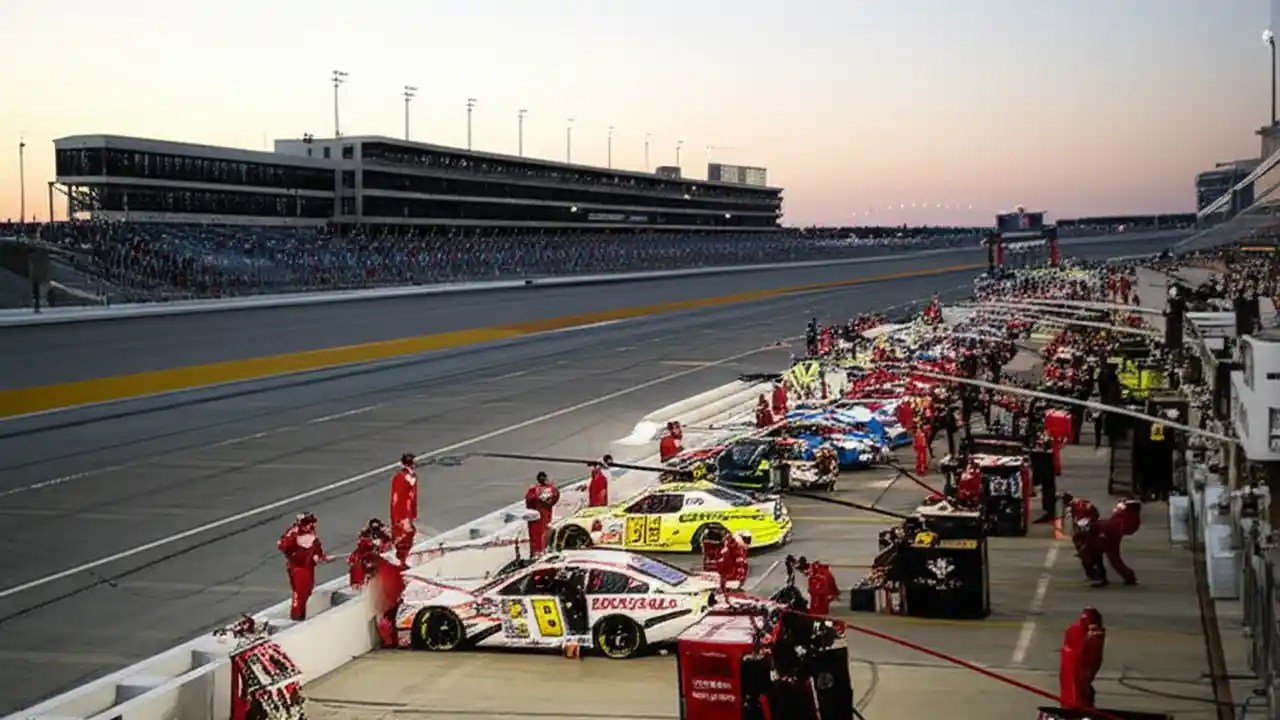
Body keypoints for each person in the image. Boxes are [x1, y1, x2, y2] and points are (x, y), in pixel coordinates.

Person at [277, 512, 331, 621]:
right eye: (309, 523)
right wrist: (297, 541)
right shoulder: (294, 532)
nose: (312, 525)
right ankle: (297, 617)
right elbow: (282, 545)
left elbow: (316, 545)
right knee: (300, 592)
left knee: (307, 590)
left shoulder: (310, 532)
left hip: (307, 566)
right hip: (298, 567)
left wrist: (320, 555)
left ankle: (300, 615)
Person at [1059, 608, 1106, 710]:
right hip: (1077, 677)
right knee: (1075, 696)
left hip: (1077, 676)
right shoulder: (1080, 637)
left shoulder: (1074, 632)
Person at [1091, 499, 1141, 587]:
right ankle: (1128, 576)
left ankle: (1101, 576)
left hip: (1110, 532)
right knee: (1112, 556)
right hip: (1110, 531)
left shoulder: (1126, 514)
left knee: (1111, 556)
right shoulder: (1128, 514)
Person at [389, 453, 419, 565]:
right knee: (405, 534)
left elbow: (413, 495)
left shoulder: (412, 476)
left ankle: (403, 560)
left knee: (409, 534)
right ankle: (401, 560)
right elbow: (397, 497)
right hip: (402, 511)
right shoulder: (400, 477)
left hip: (408, 510)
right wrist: (401, 515)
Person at [525, 471, 560, 555]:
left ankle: (538, 551)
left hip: (538, 516)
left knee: (537, 536)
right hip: (546, 514)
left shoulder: (534, 489)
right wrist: (550, 504)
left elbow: (528, 501)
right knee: (546, 532)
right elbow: (556, 496)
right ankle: (544, 549)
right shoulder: (552, 488)